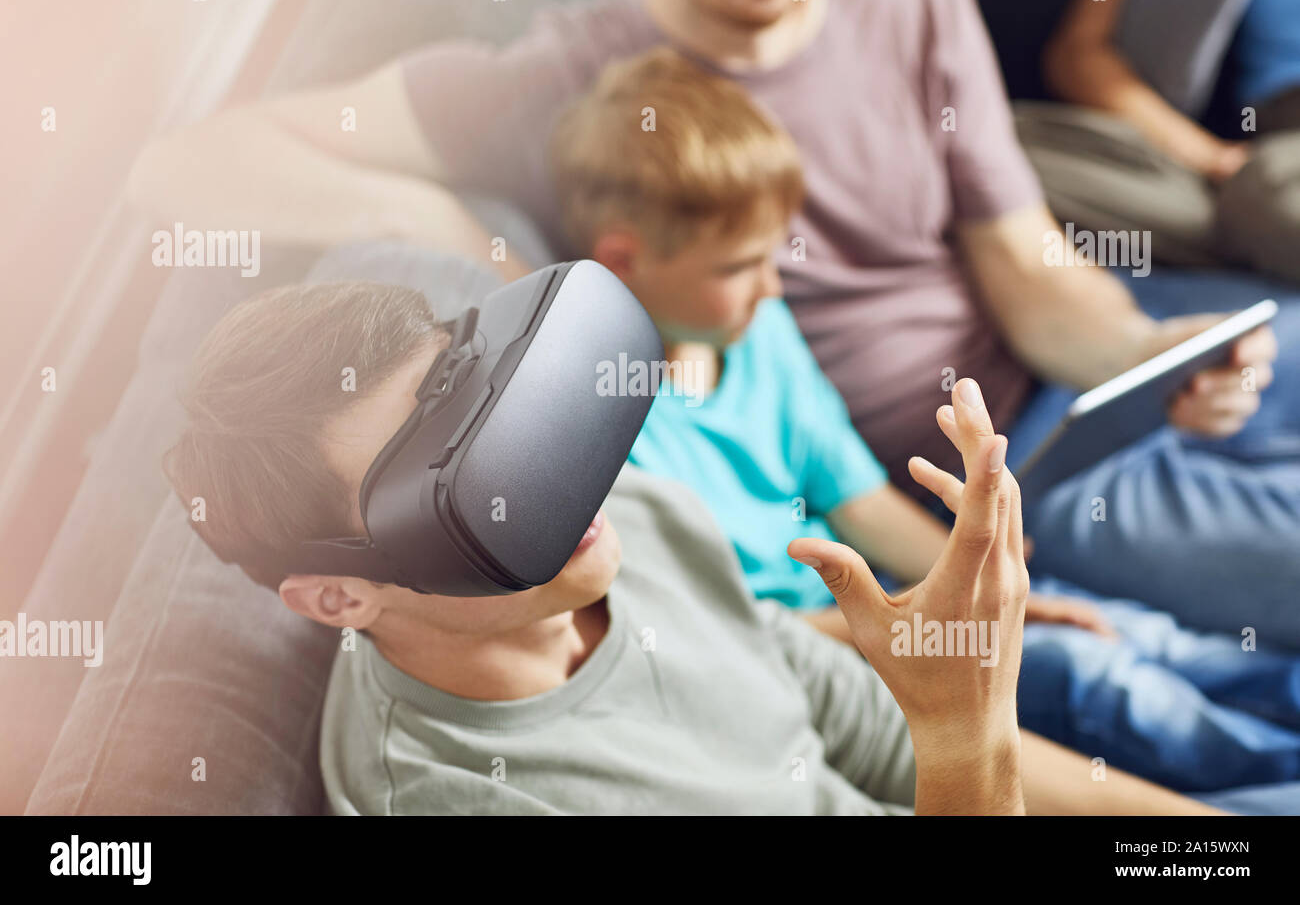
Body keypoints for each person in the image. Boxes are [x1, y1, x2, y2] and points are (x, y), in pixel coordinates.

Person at [126, 0, 1298, 642]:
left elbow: (1030, 275)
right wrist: (449, 233)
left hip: (1068, 396)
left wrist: (1152, 350)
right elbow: (180, 163)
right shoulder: (571, 73)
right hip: (963, 474)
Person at [161, 272, 1223, 814]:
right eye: (466, 485)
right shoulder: (465, 794)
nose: (555, 479)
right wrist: (965, 723)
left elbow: (873, 743)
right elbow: (941, 752)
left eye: (491, 405)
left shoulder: (635, 523)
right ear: (339, 596)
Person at [552, 47, 1300, 795]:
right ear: (622, 262)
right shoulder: (607, 439)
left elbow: (862, 501)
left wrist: (988, 581)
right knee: (1095, 680)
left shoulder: (760, 332)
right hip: (836, 652)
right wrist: (926, 622)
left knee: (1143, 632)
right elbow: (728, 633)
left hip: (898, 606)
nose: (773, 284)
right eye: (738, 267)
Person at [1021, 0, 1300, 279]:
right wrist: (1213, 157)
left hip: (1252, 180)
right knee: (1001, 159)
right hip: (1266, 145)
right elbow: (1076, 59)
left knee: (1264, 202)